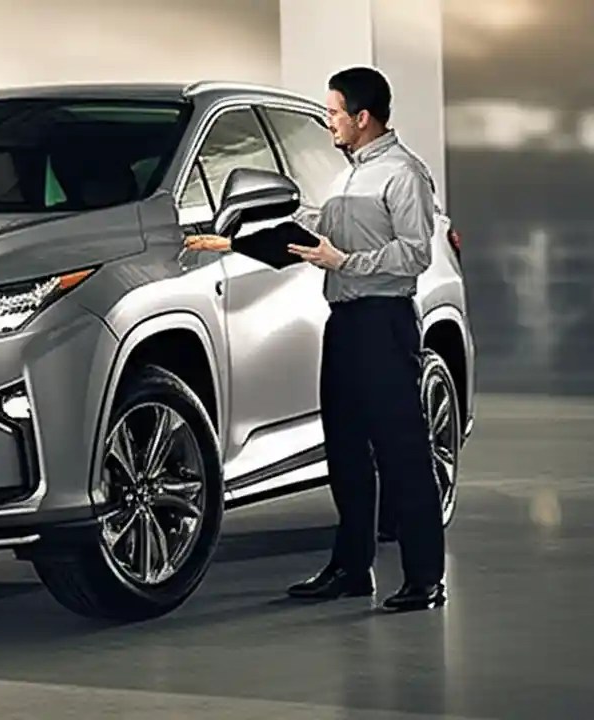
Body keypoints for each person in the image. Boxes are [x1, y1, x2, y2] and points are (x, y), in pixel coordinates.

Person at [185, 66, 446, 612]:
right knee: (345, 451)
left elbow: (415, 254)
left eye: (333, 112)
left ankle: (425, 579)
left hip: (384, 321)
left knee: (402, 453)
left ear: (362, 116)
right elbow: (308, 234)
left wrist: (343, 260)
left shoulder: (403, 174)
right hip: (345, 324)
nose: (328, 120)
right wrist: (229, 243)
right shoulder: (347, 175)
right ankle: (352, 569)